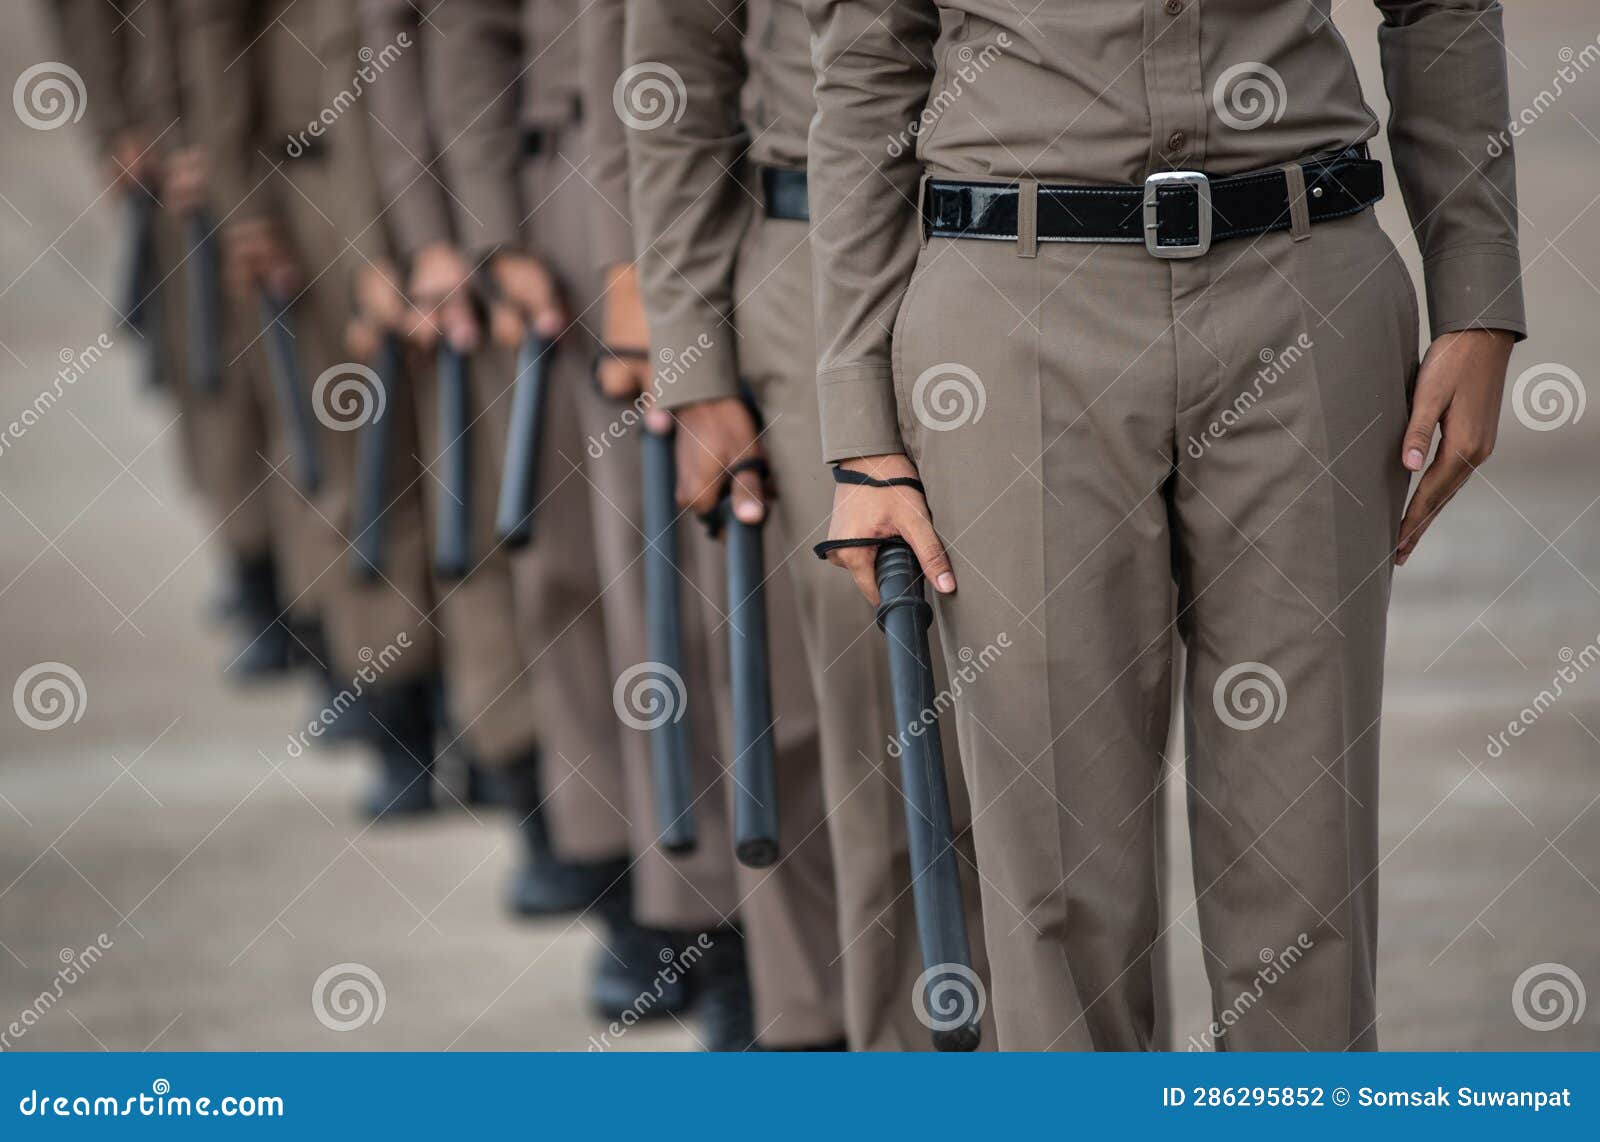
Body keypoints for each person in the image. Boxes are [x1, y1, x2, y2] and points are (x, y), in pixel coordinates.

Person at [804, 0, 1524, 1050]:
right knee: (1053, 879)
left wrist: (1476, 295)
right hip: (1015, 316)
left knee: (1304, 859)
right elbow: (868, 55)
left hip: (1301, 282)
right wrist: (861, 419)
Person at [432, 0, 848, 1050]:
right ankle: (709, 927)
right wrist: (506, 232)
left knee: (801, 632)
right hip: (618, 191)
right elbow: (457, 31)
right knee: (656, 599)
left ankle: (820, 963)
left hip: (809, 183)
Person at [623, 0, 994, 1050]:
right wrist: (691, 352)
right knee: (878, 724)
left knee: (1051, 733)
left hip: (1035, 244)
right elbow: (675, 73)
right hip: (807, 249)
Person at [354, 0, 683, 1015]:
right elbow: (435, 36)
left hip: (715, 179)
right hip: (554, 200)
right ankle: (623, 879)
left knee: (699, 584)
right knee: (578, 569)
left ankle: (744, 911)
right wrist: (472, 238)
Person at [179, 0, 444, 818]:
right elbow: (214, 32)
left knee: (475, 467)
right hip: (319, 178)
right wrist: (242, 203)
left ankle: (504, 730)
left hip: (465, 164)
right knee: (362, 468)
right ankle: (396, 708)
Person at [46, 0, 288, 678]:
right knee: (213, 381)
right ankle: (260, 573)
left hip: (245, 134)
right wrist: (124, 126)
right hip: (180, 140)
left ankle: (301, 595)